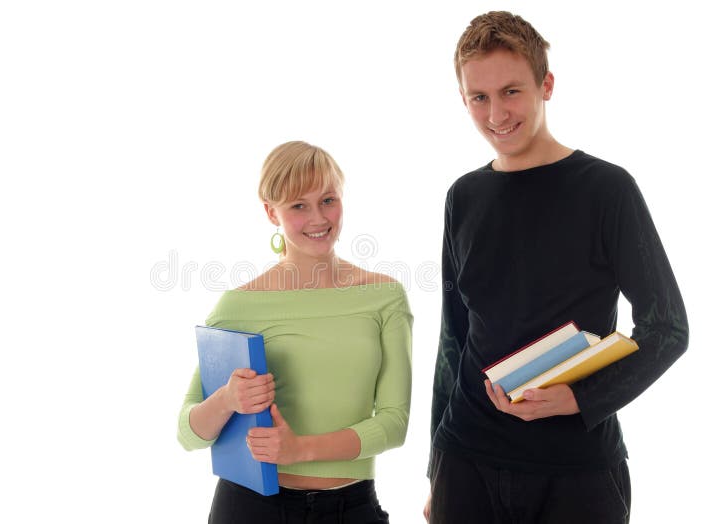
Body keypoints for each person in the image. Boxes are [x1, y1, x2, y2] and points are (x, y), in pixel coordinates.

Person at [425, 11, 688, 524]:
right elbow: (452, 338)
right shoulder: (463, 196)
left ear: (546, 85)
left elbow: (668, 328)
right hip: (467, 458)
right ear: (463, 99)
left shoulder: (607, 190)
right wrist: (436, 468)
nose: (496, 113)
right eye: (479, 97)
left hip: (577, 468)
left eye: (511, 92)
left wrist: (580, 398)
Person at [177, 141, 413, 523]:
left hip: (350, 508)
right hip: (251, 507)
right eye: (298, 206)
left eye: (328, 200)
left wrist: (299, 449)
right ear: (272, 212)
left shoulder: (384, 298)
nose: (318, 218)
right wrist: (226, 400)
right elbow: (188, 433)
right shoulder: (239, 305)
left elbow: (394, 423)